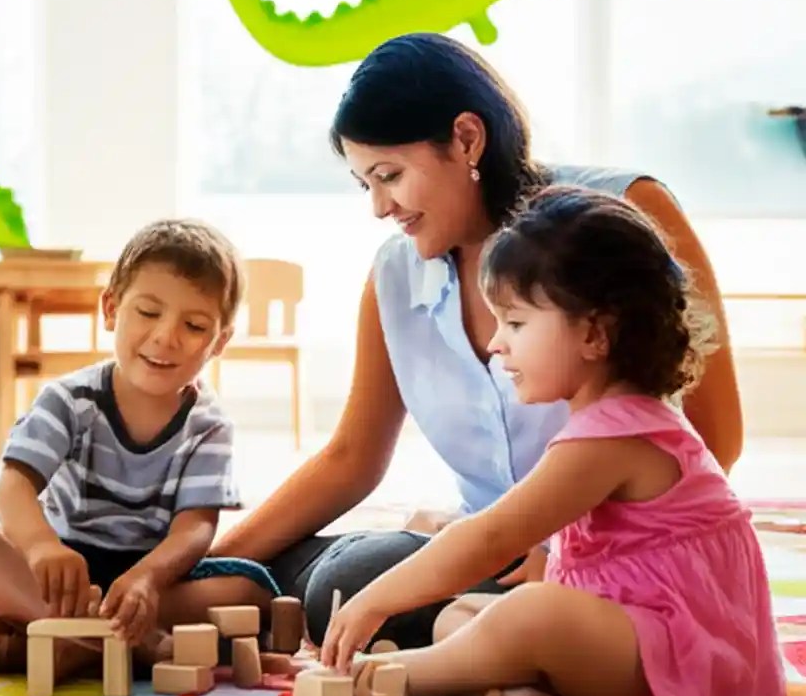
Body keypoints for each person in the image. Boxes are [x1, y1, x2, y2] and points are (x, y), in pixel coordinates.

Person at [209, 32, 743, 650]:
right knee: (297, 572)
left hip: (612, 556)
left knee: (342, 582)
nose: (381, 207)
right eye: (365, 185)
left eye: (391, 175)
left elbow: (716, 439)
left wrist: (569, 544)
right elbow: (352, 457)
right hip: (485, 547)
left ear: (467, 138)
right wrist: (214, 563)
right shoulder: (394, 274)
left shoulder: (620, 217)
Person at [318, 185, 783, 696]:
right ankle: (519, 693)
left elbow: (492, 536)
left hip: (684, 664)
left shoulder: (616, 433)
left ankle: (382, 679)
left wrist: (374, 601)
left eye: (515, 322)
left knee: (529, 614)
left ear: (594, 335)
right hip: (631, 634)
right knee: (466, 612)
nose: (497, 343)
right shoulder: (607, 420)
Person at [0, 218, 275, 678]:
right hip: (61, 577)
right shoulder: (69, 400)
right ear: (110, 309)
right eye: (148, 312)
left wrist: (146, 578)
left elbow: (195, 530)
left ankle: (70, 645)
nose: (166, 336)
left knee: (251, 591)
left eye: (195, 325)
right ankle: (120, 643)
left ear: (219, 341)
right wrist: (42, 548)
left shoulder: (209, 424)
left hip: (151, 579)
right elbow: (13, 487)